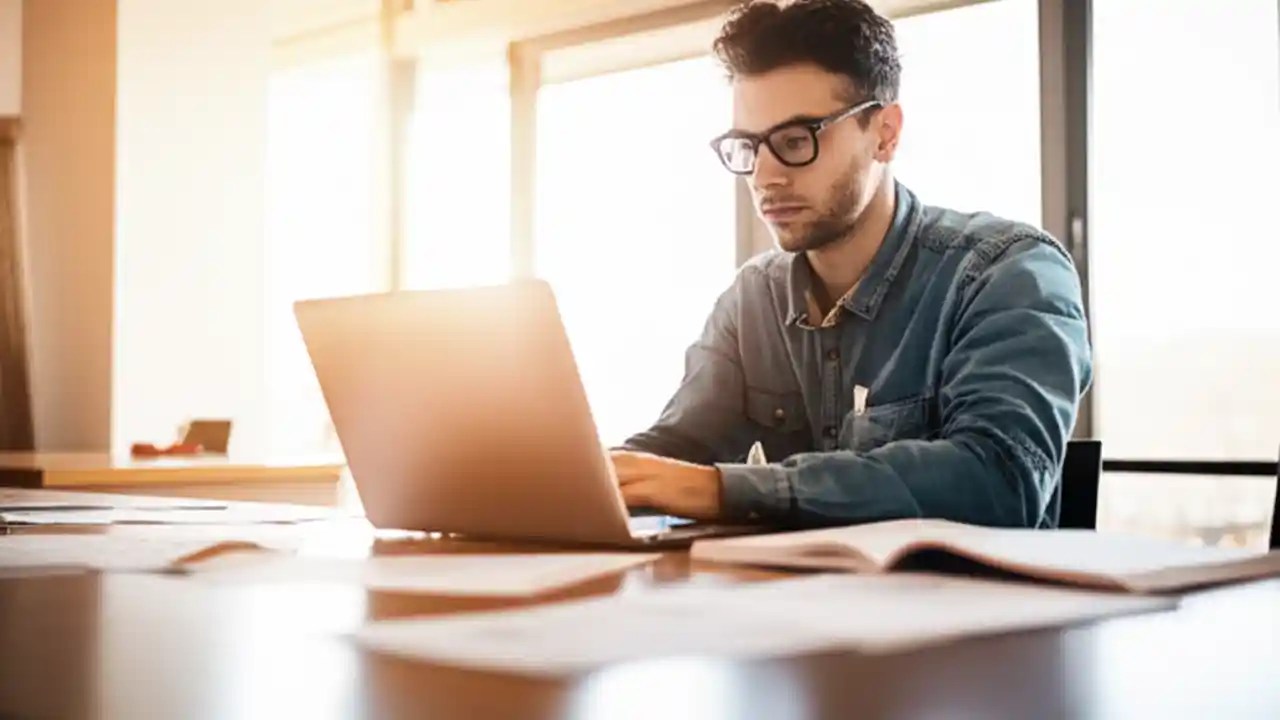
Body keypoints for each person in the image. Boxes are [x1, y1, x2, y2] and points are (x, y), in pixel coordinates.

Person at [610, 0, 1092, 529]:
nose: (765, 176)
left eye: (795, 141)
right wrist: (579, 480)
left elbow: (1000, 480)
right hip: (788, 604)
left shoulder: (1007, 273)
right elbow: (675, 454)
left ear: (885, 133)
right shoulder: (752, 300)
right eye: (748, 147)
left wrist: (726, 489)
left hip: (967, 606)